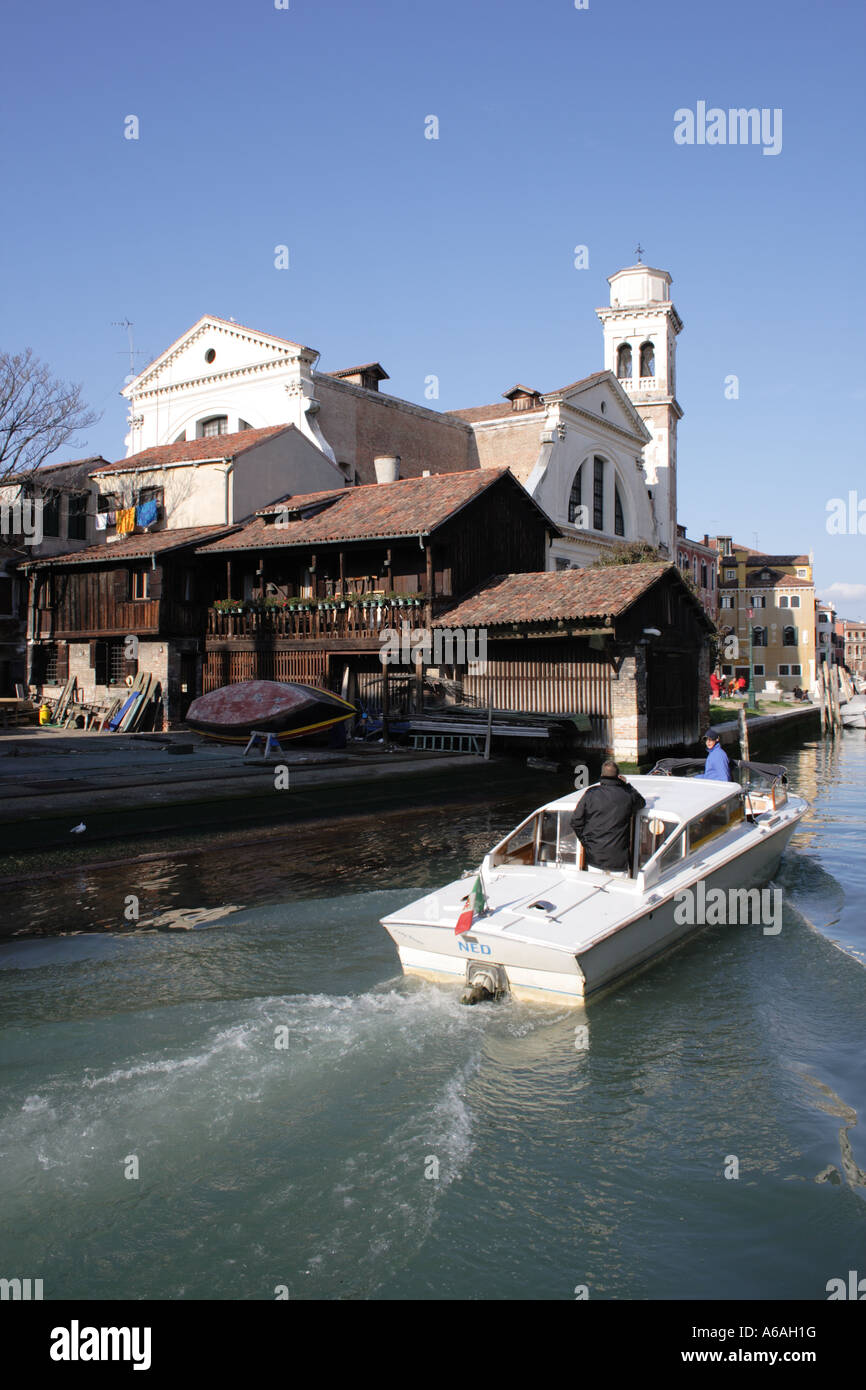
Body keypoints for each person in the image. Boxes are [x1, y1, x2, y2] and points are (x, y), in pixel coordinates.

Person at [570, 760, 646, 874]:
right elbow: (641, 803)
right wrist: (627, 786)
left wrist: (585, 842)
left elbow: (576, 821)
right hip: (618, 857)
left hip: (594, 854)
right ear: (618, 776)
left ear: (601, 775)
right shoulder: (627, 795)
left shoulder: (590, 794)